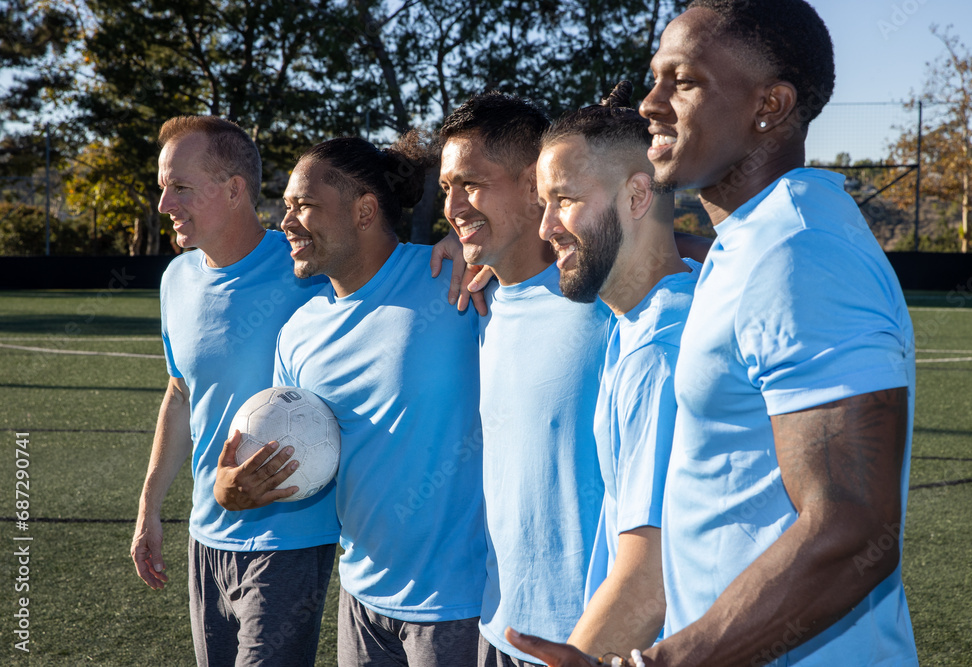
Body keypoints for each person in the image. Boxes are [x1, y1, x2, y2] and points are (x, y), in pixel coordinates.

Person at [507, 0, 920, 665]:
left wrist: (657, 661)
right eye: (654, 77)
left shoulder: (799, 252)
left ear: (770, 105)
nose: (650, 102)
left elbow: (851, 527)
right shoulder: (752, 241)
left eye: (685, 81)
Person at [214, 132, 487, 666]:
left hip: (460, 603)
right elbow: (299, 459)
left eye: (306, 206)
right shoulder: (297, 331)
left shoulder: (453, 279)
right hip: (361, 601)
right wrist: (238, 488)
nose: (286, 222)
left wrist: (477, 244)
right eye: (286, 206)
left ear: (365, 210)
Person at [130, 115, 339, 667]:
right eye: (162, 188)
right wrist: (150, 505)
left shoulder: (310, 267)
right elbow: (179, 394)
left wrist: (454, 249)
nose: (163, 204)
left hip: (290, 536)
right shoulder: (175, 280)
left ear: (234, 189)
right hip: (207, 533)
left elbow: (394, 264)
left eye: (180, 187)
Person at [438, 92, 611, 667]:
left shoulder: (610, 303)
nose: (454, 204)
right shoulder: (484, 302)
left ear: (536, 184)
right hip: (501, 630)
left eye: (471, 183)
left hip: (593, 642)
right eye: (446, 188)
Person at [535, 81, 700, 658]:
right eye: (543, 204)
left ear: (636, 198)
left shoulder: (661, 349)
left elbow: (647, 583)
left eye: (564, 200)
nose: (546, 227)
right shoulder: (641, 321)